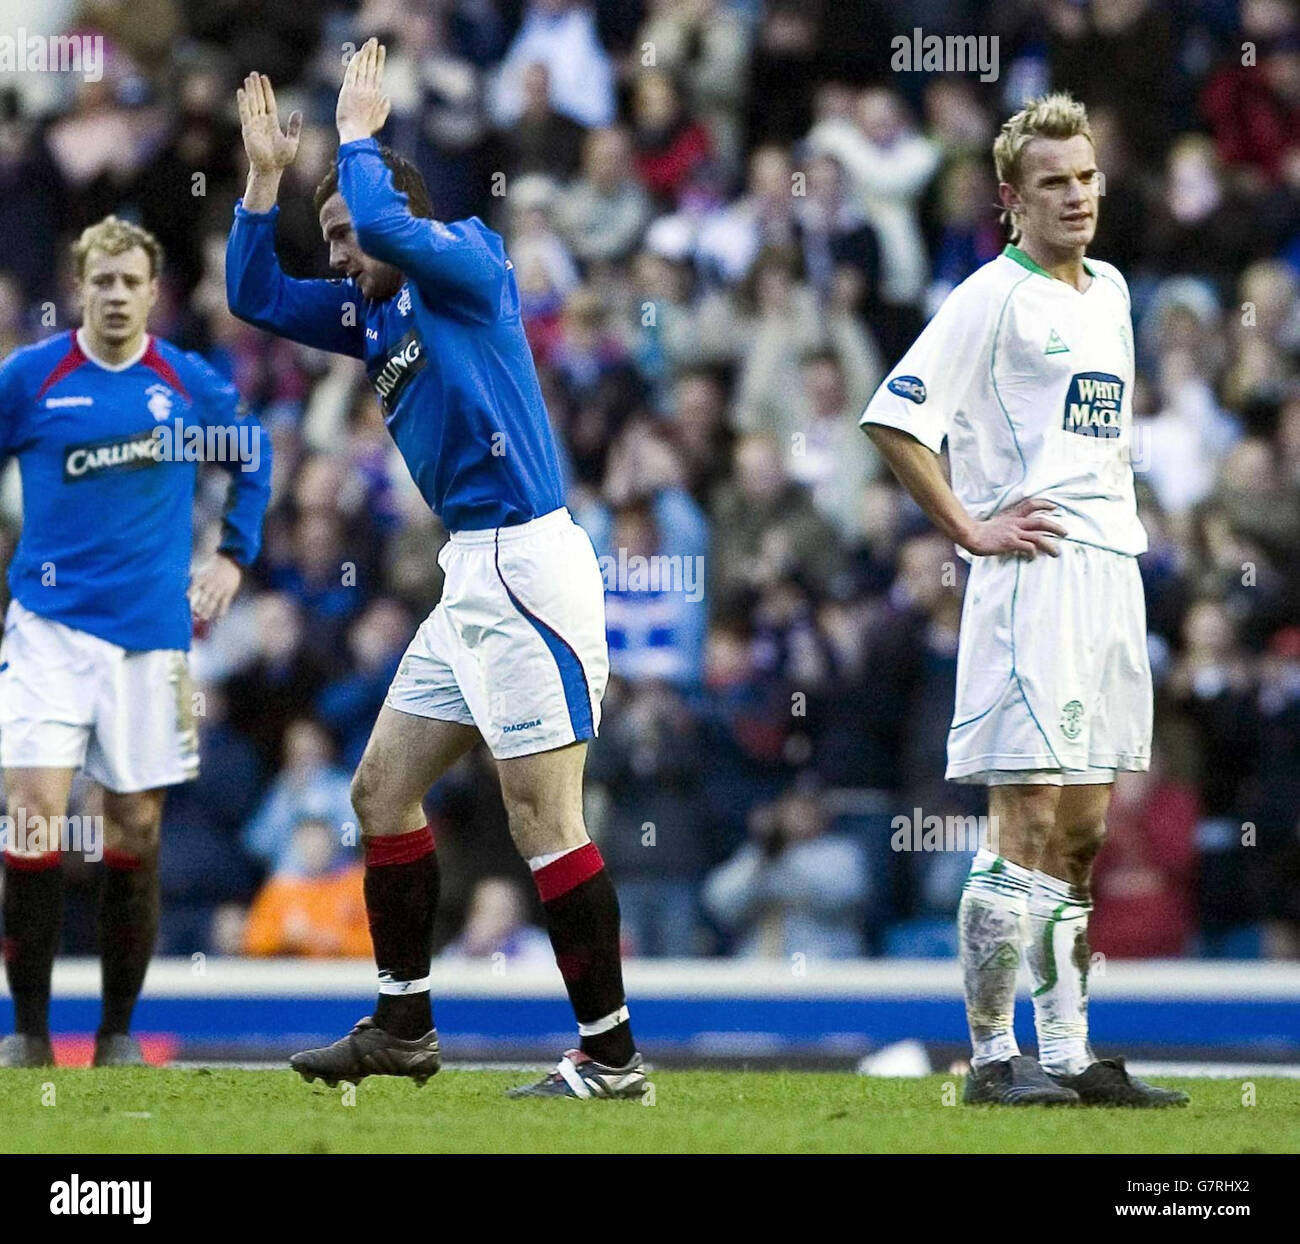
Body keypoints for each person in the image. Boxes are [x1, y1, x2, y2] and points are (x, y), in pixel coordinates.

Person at [226, 40, 643, 1100]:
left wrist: (358, 140)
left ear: (390, 214)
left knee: (546, 818)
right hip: (472, 572)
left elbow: (382, 226)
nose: (337, 259)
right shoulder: (373, 311)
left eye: (345, 236)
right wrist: (266, 181)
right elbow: (256, 297)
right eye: (329, 241)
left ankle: (612, 1058)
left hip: (526, 557)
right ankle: (404, 1024)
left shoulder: (466, 259)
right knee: (380, 791)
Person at [860, 94, 1187, 1109]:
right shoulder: (986, 298)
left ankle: (1073, 1049)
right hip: (1029, 580)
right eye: (1054, 182)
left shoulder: (1112, 291)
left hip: (1107, 574)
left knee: (1083, 830)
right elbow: (895, 417)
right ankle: (993, 1056)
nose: (1077, 196)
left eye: (1086, 177)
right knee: (1024, 818)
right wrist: (967, 526)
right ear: (1011, 199)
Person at [0, 216, 271, 1068]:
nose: (116, 295)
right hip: (45, 631)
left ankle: (117, 1031)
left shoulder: (183, 382)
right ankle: (32, 1037)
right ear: (80, 287)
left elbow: (253, 456)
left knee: (135, 829)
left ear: (153, 293)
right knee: (35, 814)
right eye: (102, 281)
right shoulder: (32, 379)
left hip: (151, 639)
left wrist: (231, 557)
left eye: (131, 282)